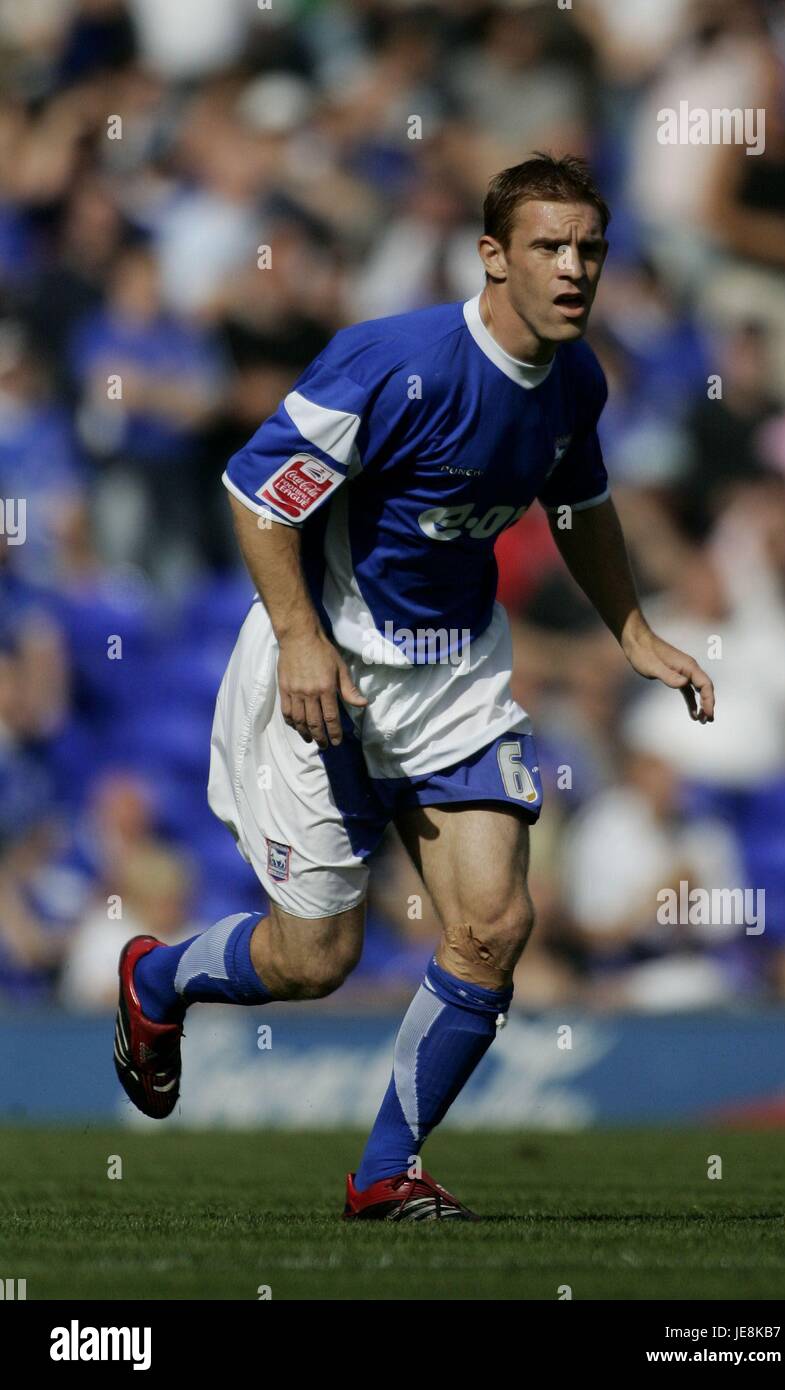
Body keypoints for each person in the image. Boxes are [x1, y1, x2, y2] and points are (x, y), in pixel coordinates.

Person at [113, 153, 714, 1221]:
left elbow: (580, 504)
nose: (574, 269)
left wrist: (634, 632)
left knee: (492, 924)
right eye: (548, 247)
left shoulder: (577, 379)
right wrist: (300, 638)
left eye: (590, 248)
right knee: (317, 959)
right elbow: (258, 498)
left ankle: (384, 1172)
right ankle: (157, 981)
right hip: (328, 671)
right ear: (493, 255)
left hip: (455, 680)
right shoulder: (395, 363)